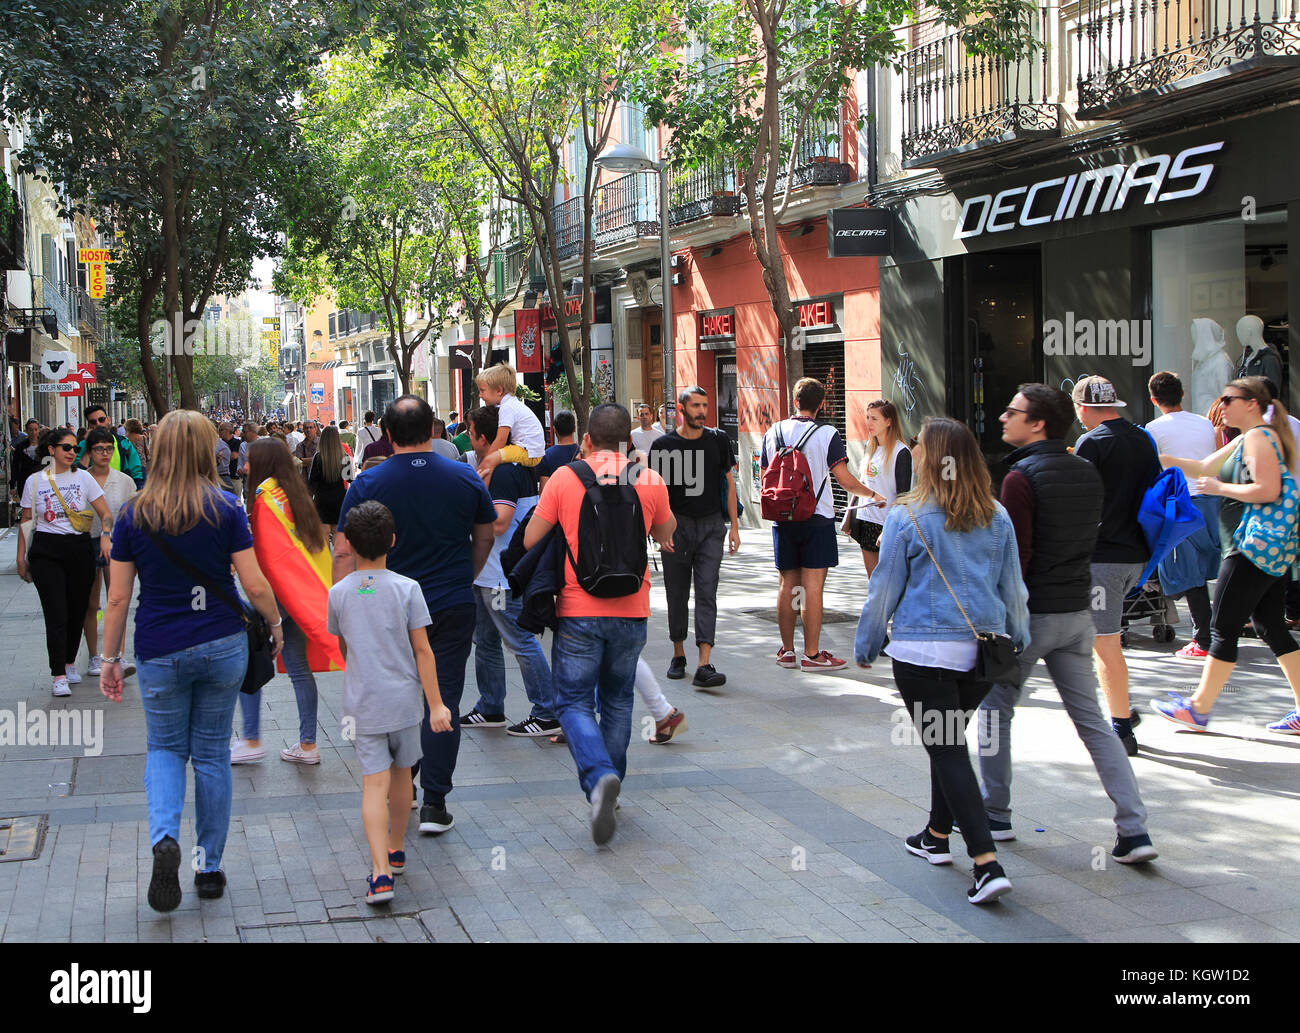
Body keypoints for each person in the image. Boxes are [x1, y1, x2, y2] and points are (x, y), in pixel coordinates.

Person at [99, 410, 283, 911]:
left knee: (163, 749)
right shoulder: (225, 507)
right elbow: (254, 582)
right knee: (210, 754)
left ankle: (164, 838)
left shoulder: (133, 513)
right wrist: (275, 625)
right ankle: (209, 866)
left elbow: (117, 599)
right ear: (207, 450)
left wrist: (109, 658)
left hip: (160, 646)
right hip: (221, 644)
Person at [976, 386, 1157, 863]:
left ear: (1038, 424)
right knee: (1094, 723)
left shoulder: (1019, 478)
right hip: (1077, 614)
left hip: (1031, 617)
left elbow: (1015, 558)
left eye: (1012, 412)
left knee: (995, 713)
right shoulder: (1084, 470)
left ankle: (995, 814)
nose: (1002, 417)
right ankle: (1134, 829)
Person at [854, 417, 1029, 905]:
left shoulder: (907, 517)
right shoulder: (997, 516)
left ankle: (986, 862)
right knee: (948, 741)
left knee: (947, 748)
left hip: (923, 655)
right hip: (982, 654)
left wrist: (866, 643)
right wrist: (1019, 640)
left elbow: (883, 590)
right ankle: (935, 834)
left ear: (928, 460)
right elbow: (1014, 591)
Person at [334, 395, 495, 836]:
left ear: (387, 434)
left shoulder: (367, 482)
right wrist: (466, 575)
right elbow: (483, 539)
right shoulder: (464, 477)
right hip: (449, 602)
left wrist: (342, 607)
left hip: (384, 609)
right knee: (442, 701)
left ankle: (397, 785)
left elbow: (345, 552)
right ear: (433, 430)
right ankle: (435, 803)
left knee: (395, 699)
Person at [523, 403, 674, 844]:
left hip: (578, 610)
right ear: (628, 440)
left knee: (571, 702)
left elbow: (531, 538)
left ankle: (598, 777)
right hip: (632, 610)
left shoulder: (566, 479)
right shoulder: (648, 479)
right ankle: (613, 787)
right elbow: (667, 535)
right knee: (619, 702)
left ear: (586, 439)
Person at [1153, 377, 1300, 734]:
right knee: (1271, 628)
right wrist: (1148, 456)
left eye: (1228, 399)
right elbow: (1202, 467)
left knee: (1223, 627)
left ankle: (1198, 709)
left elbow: (1267, 489)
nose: (1222, 406)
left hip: (1254, 546)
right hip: (1273, 548)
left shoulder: (1258, 437)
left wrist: (1220, 488)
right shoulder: (1251, 436)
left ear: (1251, 403)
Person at [328, 500, 452, 903]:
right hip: (404, 704)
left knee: (372, 785)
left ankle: (379, 872)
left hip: (363, 704)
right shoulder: (408, 589)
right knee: (403, 777)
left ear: (349, 544)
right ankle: (397, 847)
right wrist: (436, 704)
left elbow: (345, 645)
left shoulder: (339, 594)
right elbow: (423, 652)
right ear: (392, 541)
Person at [1071, 375, 1162, 756]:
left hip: (1103, 559)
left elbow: (1077, 501)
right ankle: (1120, 706)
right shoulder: (1142, 438)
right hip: (1137, 556)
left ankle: (1122, 730)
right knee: (1102, 640)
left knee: (1104, 645)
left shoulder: (1090, 443)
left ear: (1083, 408)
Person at [233, 437, 336, 765]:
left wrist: (264, 607)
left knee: (250, 662)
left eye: (250, 460)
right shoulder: (296, 494)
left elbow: (267, 557)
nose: (244, 467)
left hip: (276, 598)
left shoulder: (265, 500)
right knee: (299, 669)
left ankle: (250, 740)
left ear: (264, 463)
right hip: (298, 596)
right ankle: (308, 745)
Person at [460, 406, 560, 737]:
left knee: (519, 641)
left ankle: (546, 711)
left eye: (471, 432)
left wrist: (463, 517)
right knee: (486, 640)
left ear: (483, 438)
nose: (468, 437)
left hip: (499, 578)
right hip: (487, 575)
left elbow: (501, 521)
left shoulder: (503, 472)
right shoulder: (507, 467)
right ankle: (491, 707)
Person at [761, 377, 873, 672]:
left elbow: (763, 474)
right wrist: (873, 495)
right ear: (821, 404)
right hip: (817, 518)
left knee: (787, 584)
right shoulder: (827, 433)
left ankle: (787, 651)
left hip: (783, 518)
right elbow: (843, 478)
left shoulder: (774, 431)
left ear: (794, 400)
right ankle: (812, 655)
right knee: (812, 587)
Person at [648, 386, 740, 687]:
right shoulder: (663, 445)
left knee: (706, 590)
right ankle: (678, 653)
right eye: (696, 406)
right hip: (677, 527)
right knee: (677, 592)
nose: (702, 411)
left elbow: (729, 482)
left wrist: (735, 527)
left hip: (712, 526)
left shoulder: (718, 441)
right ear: (682, 410)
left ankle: (704, 662)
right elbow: (654, 492)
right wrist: (657, 529)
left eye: (705, 405)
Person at [17, 428, 117, 696]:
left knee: (77, 609)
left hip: (78, 548)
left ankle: (70, 661)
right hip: (46, 549)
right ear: (51, 450)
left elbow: (105, 513)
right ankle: (58, 673)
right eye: (66, 448)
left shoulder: (83, 478)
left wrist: (106, 536)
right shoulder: (35, 481)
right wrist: (21, 556)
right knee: (56, 612)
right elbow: (27, 521)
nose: (73, 452)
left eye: (75, 448)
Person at [1146, 371, 1221, 661]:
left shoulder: (1152, 429)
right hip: (1209, 499)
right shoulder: (1205, 424)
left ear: (1154, 399)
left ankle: (1204, 639)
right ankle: (1212, 631)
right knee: (1204, 571)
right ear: (1183, 394)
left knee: (1190, 576)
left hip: (1179, 504)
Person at [82, 428, 139, 680]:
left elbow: (131, 516)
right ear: (90, 452)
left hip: (117, 544)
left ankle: (116, 654)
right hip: (86, 542)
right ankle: (94, 654)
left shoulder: (124, 481)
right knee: (91, 603)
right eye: (99, 449)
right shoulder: (81, 479)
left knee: (116, 600)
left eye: (109, 448)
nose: (104, 453)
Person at [843, 399, 912, 577]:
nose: (869, 423)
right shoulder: (870, 447)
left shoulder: (901, 452)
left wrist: (890, 528)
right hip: (866, 521)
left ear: (888, 422)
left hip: (886, 523)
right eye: (867, 417)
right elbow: (864, 484)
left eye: (874, 418)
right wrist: (851, 518)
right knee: (873, 581)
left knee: (889, 582)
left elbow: (903, 496)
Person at [475, 363, 546, 484]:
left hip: (528, 452)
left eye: (482, 391)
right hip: (530, 450)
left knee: (489, 461)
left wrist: (487, 458)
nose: (480, 395)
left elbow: (501, 439)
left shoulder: (507, 408)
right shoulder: (511, 404)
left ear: (499, 391)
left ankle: (481, 492)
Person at [77, 404, 143, 485]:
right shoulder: (83, 445)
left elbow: (136, 470)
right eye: (93, 422)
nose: (98, 424)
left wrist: (138, 487)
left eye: (101, 419)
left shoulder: (123, 443)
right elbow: (77, 473)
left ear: (108, 420)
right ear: (89, 425)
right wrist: (88, 447)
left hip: (120, 491)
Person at [309, 425, 348, 534]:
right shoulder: (344, 456)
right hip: (339, 498)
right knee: (337, 531)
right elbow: (349, 479)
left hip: (322, 499)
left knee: (323, 532)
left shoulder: (318, 457)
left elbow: (312, 481)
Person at [537, 409, 579, 493]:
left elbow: (544, 491)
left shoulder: (546, 455)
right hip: (580, 503)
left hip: (557, 503)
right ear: (574, 428)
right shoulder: (583, 453)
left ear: (554, 429)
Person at [10, 417, 42, 495]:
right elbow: (15, 466)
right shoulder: (21, 446)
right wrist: (12, 485)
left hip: (41, 482)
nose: (33, 432)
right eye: (31, 430)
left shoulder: (44, 446)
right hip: (25, 482)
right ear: (27, 431)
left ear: (38, 430)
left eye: (35, 429)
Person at [237, 421, 260, 507]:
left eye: (245, 432)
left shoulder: (264, 444)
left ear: (253, 432)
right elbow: (240, 463)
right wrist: (239, 469)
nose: (243, 434)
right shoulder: (243, 445)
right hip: (248, 485)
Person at [125, 418, 150, 483]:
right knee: (142, 485)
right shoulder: (143, 437)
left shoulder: (126, 439)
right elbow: (147, 451)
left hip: (131, 464)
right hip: (142, 464)